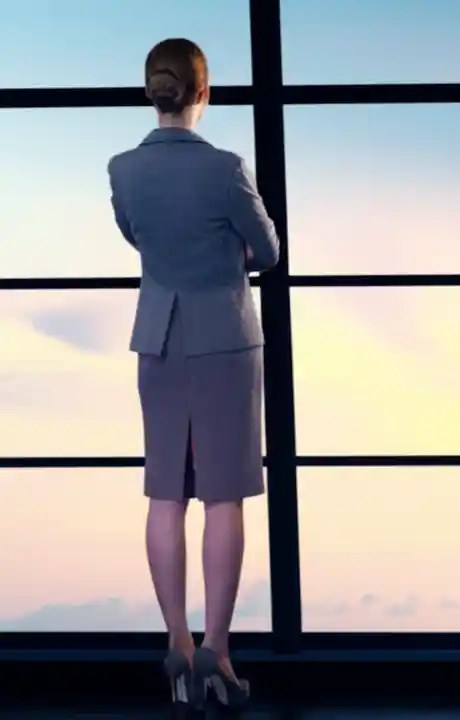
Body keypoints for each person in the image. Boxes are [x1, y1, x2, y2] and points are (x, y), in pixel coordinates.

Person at [107, 37, 279, 711]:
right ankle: (218, 651)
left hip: (159, 341)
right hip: (224, 345)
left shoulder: (123, 168)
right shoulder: (226, 169)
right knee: (224, 497)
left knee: (164, 497)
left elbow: (137, 236)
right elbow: (266, 250)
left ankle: (177, 646)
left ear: (153, 92)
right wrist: (228, 246)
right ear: (205, 94)